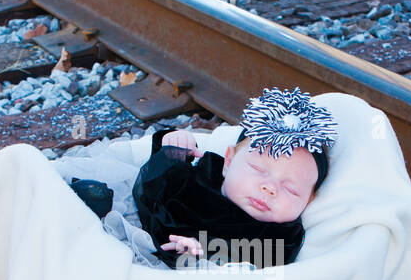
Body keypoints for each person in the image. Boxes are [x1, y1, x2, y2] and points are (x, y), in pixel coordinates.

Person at [70, 87, 336, 270]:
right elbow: (155, 183)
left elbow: (264, 263)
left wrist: (205, 254)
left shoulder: (282, 234)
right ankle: (95, 206)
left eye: (290, 189)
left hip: (169, 264)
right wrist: (173, 149)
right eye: (258, 169)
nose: (269, 188)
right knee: (108, 197)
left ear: (310, 200)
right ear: (229, 161)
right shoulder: (207, 170)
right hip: (144, 217)